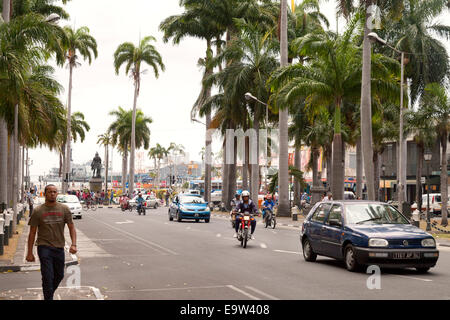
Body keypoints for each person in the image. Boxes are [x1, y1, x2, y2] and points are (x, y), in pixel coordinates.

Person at [26, 184, 77, 300]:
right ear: (45, 194)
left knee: (59, 275)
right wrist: (29, 252)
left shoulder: (64, 209)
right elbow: (32, 233)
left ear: (57, 194)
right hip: (44, 248)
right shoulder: (38, 211)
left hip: (59, 248)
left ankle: (48, 294)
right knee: (48, 276)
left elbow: (71, 227)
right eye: (50, 192)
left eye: (55, 192)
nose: (52, 194)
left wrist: (74, 244)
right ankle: (48, 297)